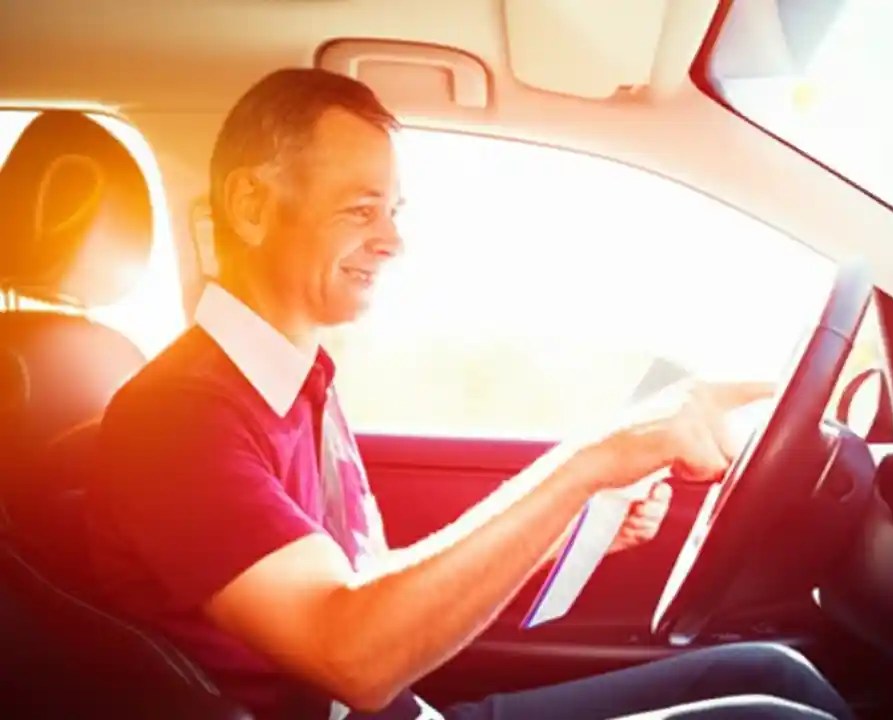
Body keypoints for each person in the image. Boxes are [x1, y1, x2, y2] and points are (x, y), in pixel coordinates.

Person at [87, 68, 853, 720]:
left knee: (767, 675)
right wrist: (598, 456)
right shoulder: (176, 421)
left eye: (393, 212)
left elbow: (370, 579)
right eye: (361, 209)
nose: (392, 240)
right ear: (252, 207)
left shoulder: (296, 379)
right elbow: (349, 650)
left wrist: (573, 523)